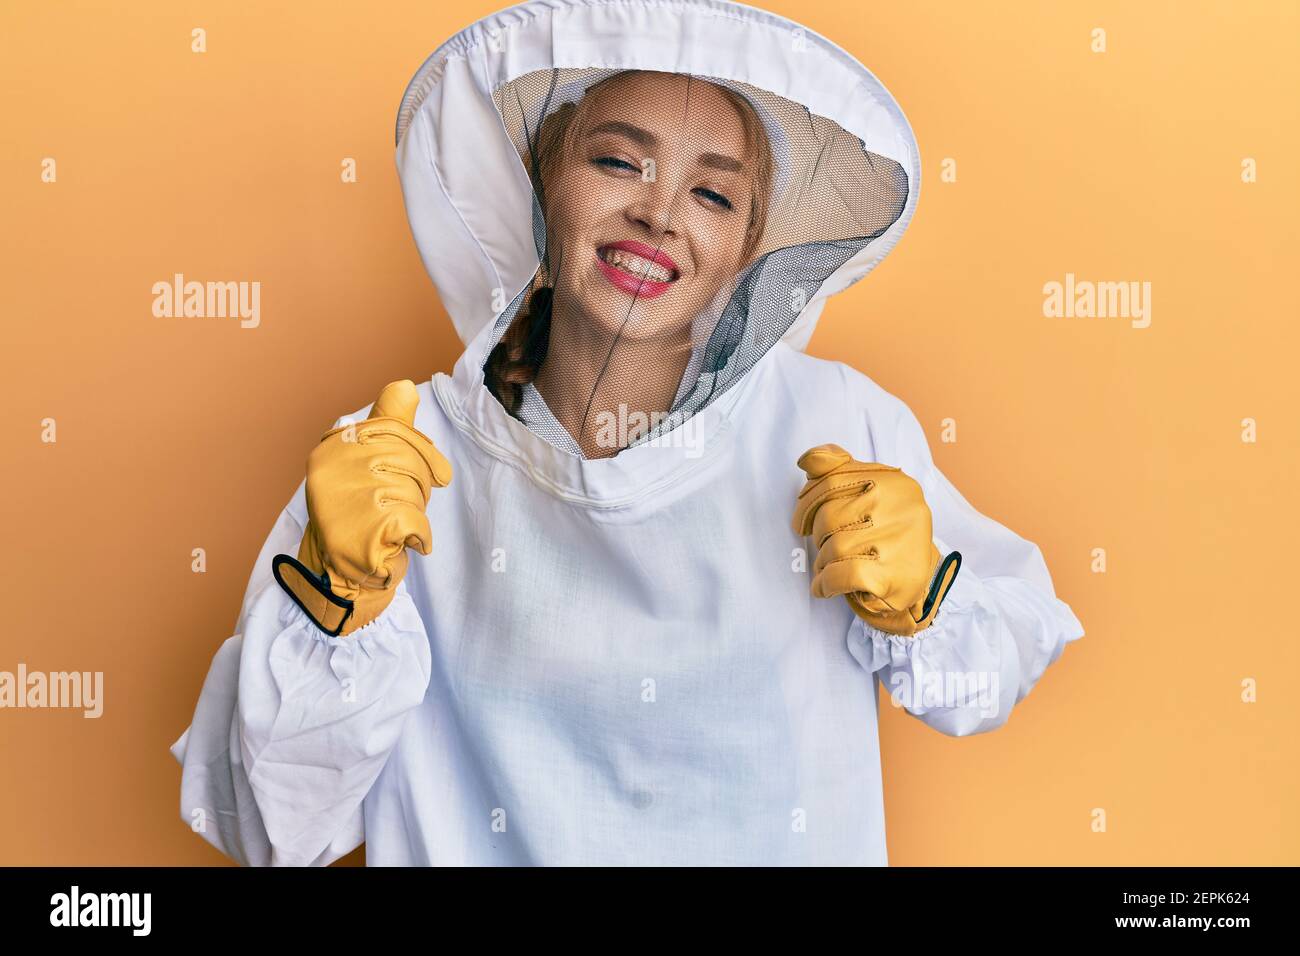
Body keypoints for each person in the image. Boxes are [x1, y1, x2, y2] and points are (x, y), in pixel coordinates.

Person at [171, 0, 1084, 866]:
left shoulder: (837, 423)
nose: (660, 212)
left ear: (748, 252)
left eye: (715, 197)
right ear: (543, 186)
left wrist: (928, 599)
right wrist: (334, 605)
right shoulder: (395, 459)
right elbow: (267, 830)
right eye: (618, 162)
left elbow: (988, 682)